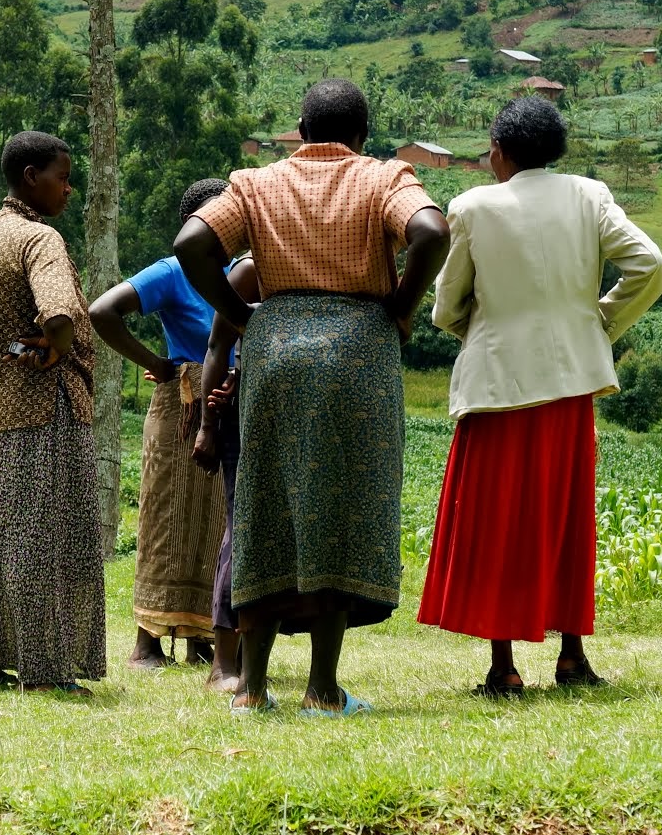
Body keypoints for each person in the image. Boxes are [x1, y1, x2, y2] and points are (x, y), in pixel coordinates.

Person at [174, 79, 451, 716]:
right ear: (362, 136)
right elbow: (431, 232)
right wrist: (400, 309)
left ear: (300, 131)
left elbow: (192, 243)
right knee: (344, 509)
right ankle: (323, 690)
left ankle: (251, 687)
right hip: (359, 350)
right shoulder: (384, 178)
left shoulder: (254, 182)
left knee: (264, 508)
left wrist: (239, 312)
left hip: (274, 349)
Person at [417, 96, 662, 697]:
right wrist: (596, 323)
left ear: (500, 152)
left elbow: (447, 303)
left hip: (497, 381)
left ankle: (503, 665)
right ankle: (572, 657)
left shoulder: (472, 206)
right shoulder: (589, 194)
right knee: (564, 513)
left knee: (498, 519)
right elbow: (651, 267)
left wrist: (476, 330)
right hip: (570, 380)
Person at [0, 131, 106, 697]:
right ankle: (46, 670)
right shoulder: (40, 239)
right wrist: (57, 349)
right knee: (45, 538)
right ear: (32, 177)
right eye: (62, 176)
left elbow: (3, 334)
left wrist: (20, 350)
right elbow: (57, 312)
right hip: (41, 411)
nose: (69, 188)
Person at [89, 179, 231, 675]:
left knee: (219, 522)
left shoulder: (242, 272)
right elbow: (103, 312)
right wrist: (159, 363)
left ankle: (203, 637)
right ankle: (148, 639)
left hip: (229, 402)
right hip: (179, 407)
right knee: (166, 518)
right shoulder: (172, 273)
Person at [191, 255, 262, 695]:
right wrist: (207, 426)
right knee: (241, 531)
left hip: (288, 411)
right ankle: (222, 661)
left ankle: (257, 656)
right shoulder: (249, 271)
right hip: (242, 417)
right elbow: (218, 347)